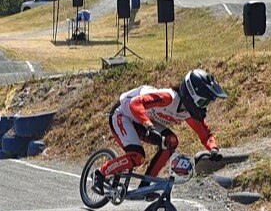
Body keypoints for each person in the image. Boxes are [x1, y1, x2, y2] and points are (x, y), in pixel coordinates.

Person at [97, 69, 227, 179]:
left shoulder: (188, 112)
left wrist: (214, 149)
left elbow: (205, 135)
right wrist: (148, 125)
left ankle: (147, 182)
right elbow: (135, 104)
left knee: (171, 142)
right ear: (191, 96)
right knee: (137, 157)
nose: (204, 108)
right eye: (203, 103)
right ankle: (101, 173)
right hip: (123, 114)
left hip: (144, 121)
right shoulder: (168, 98)